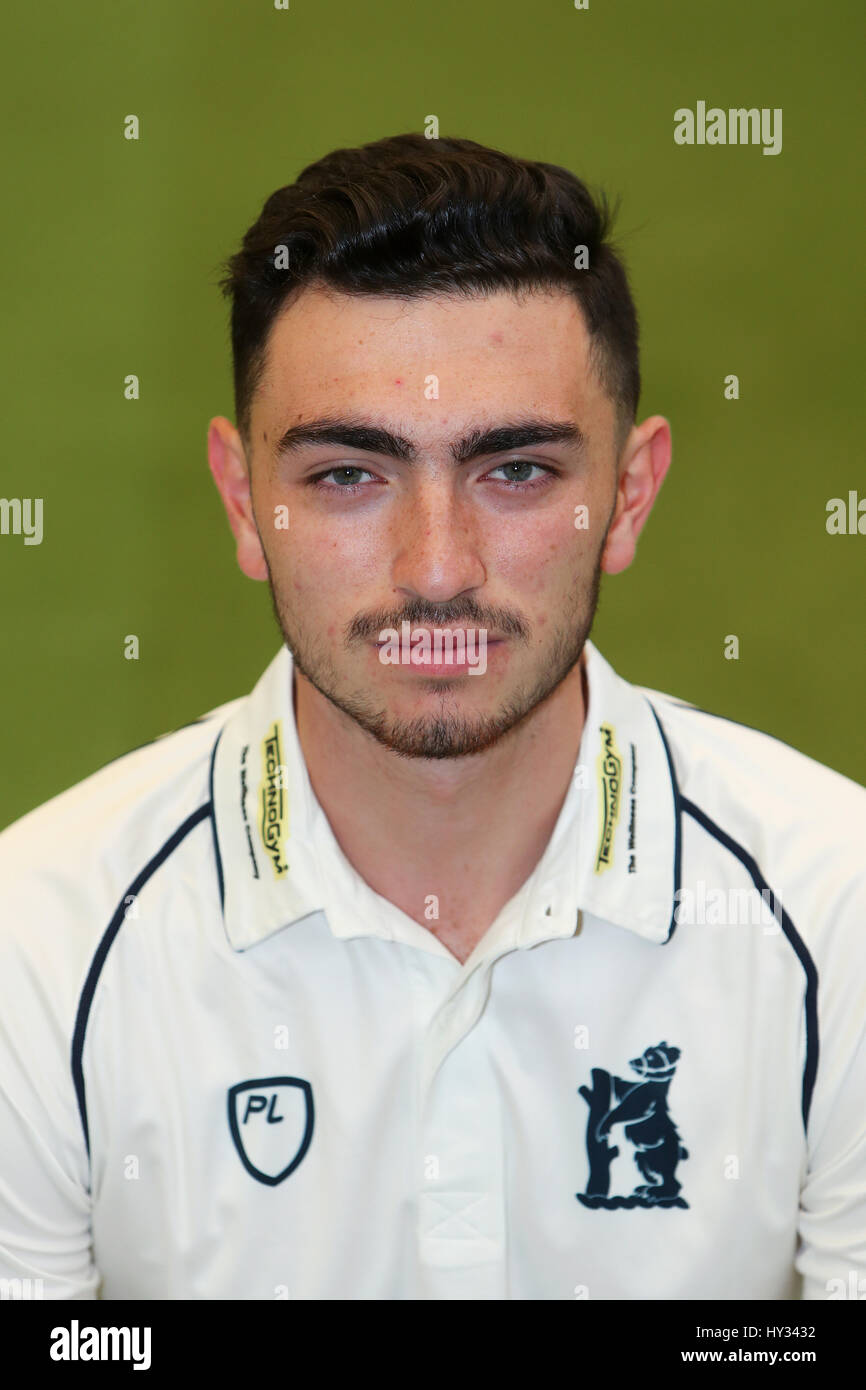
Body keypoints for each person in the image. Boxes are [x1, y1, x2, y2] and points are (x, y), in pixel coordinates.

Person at [0, 133, 863, 1302]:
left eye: (514, 471)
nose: (437, 570)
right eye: (348, 474)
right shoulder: (38, 941)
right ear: (244, 504)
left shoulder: (835, 909)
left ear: (627, 495)